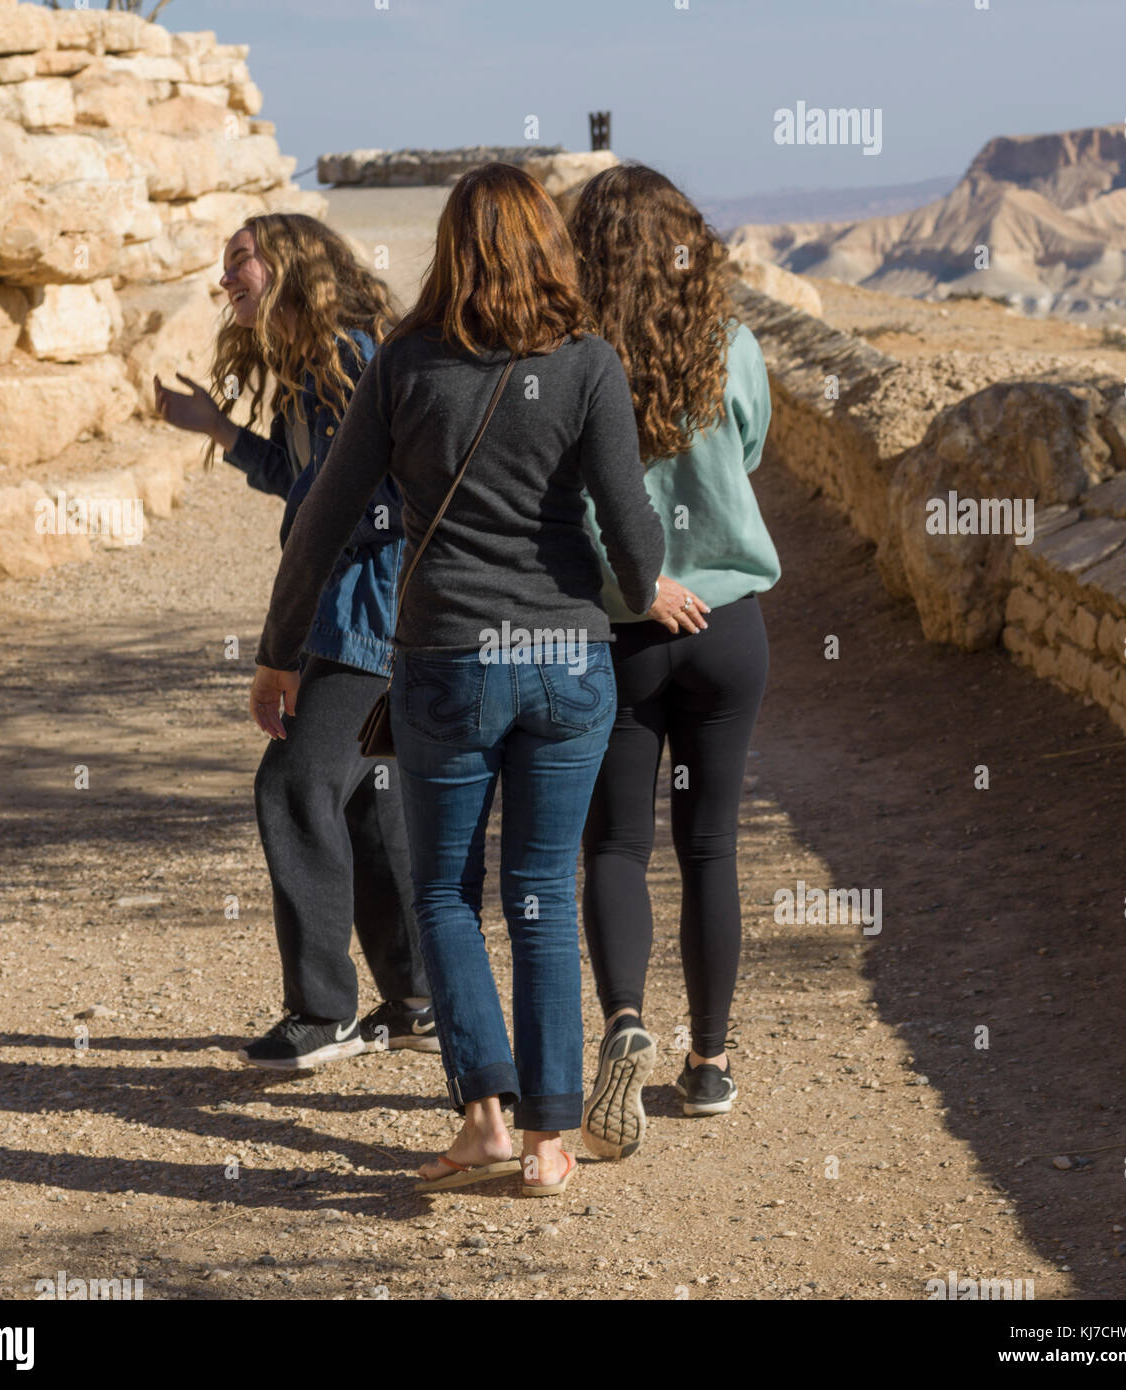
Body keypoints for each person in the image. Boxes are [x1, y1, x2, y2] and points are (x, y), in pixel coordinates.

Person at [250, 164, 682, 1194]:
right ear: (548, 245)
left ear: (452, 248)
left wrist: (279, 653)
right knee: (539, 888)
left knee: (446, 890)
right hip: (567, 660)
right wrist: (644, 584)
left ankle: (482, 1117)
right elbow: (629, 539)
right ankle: (548, 1142)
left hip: (449, 657)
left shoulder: (404, 362)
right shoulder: (587, 361)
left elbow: (323, 518)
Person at [154, 212, 435, 1069]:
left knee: (292, 782)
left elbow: (354, 499)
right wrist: (219, 430)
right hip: (356, 618)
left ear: (291, 261)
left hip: (368, 619)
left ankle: (323, 1013)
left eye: (241, 258)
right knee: (362, 800)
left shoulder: (350, 359)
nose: (227, 276)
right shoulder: (320, 365)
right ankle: (415, 996)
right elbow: (304, 480)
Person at [569, 164, 779, 1158]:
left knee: (614, 846)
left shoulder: (573, 357)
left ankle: (621, 1020)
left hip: (622, 628)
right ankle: (710, 1063)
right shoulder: (731, 344)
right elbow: (752, 448)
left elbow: (564, 506)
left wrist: (636, 577)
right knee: (710, 848)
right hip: (727, 628)